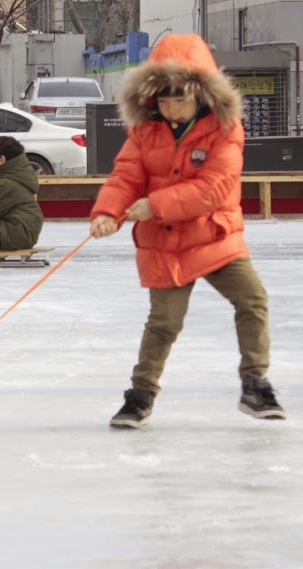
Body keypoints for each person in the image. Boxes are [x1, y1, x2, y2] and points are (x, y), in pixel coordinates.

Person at [88, 33, 285, 428]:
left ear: (201, 94)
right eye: (163, 100)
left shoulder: (225, 130)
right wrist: (107, 212)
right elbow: (126, 176)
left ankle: (255, 383)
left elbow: (215, 187)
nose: (172, 108)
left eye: (180, 99)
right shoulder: (145, 132)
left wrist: (155, 204)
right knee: (164, 323)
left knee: (253, 300)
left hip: (215, 236)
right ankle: (140, 395)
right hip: (164, 242)